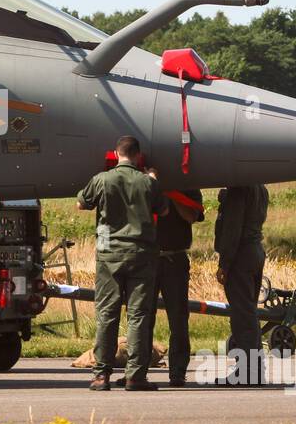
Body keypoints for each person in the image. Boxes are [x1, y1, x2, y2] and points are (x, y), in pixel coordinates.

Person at [76, 136, 170, 391]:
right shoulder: (147, 182)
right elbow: (163, 211)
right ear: (138, 156)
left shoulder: (102, 179)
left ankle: (101, 375)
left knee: (107, 314)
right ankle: (135, 377)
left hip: (109, 255)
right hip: (142, 254)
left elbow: (81, 203)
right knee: (138, 316)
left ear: (117, 154)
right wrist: (151, 180)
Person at [213, 184, 269, 385]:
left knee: (242, 316)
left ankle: (246, 371)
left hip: (240, 255)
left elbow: (232, 229)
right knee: (249, 313)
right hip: (254, 251)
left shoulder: (238, 189)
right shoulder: (260, 187)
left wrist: (224, 264)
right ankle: (255, 369)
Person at [155, 187, 205, 387]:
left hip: (174, 258)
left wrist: (173, 195)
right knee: (141, 316)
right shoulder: (145, 181)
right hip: (148, 259)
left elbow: (192, 216)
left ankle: (177, 371)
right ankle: (136, 369)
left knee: (178, 318)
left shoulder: (188, 185)